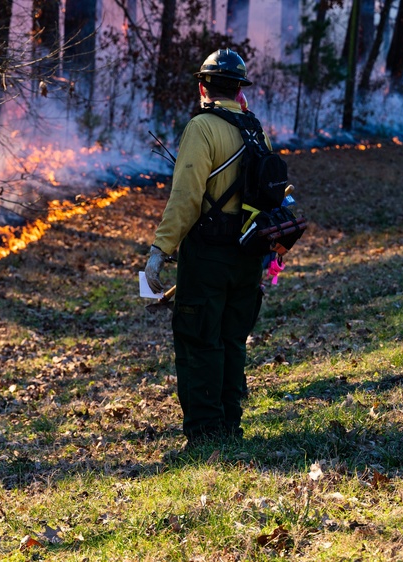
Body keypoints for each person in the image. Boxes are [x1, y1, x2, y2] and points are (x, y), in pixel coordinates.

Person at [144, 48, 268, 447]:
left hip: (208, 256)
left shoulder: (202, 128)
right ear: (238, 89)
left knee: (199, 340)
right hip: (248, 254)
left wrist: (159, 251)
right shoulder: (255, 128)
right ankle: (230, 426)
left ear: (203, 86)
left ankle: (205, 435)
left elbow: (186, 197)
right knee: (232, 340)